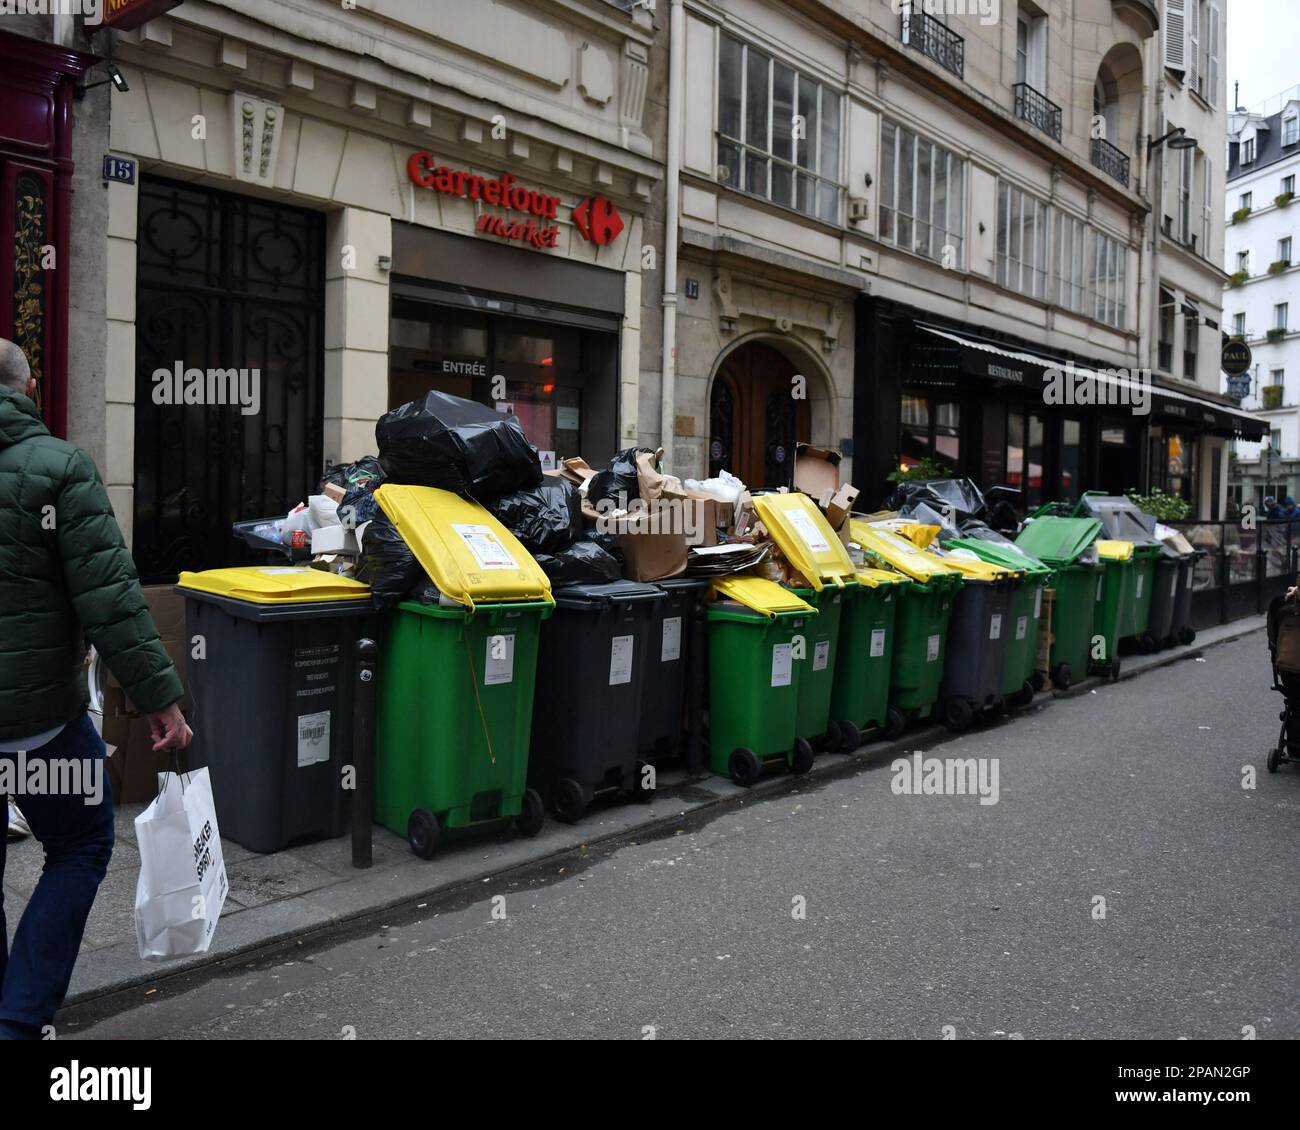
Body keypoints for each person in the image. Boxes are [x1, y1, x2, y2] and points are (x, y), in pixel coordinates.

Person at [0, 338, 192, 1040]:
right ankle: (17, 1022)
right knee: (81, 847)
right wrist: (158, 698)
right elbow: (108, 598)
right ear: (28, 389)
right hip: (39, 720)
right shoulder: (59, 467)